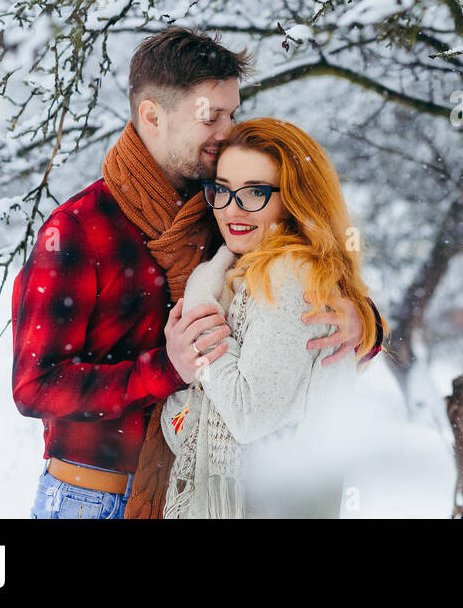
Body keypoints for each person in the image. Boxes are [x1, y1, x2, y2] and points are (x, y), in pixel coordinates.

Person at [12, 28, 384, 519]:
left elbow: (307, 279)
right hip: (97, 498)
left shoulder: (226, 211)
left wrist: (362, 323)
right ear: (152, 116)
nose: (228, 130)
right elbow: (36, 386)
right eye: (212, 116)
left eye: (232, 113)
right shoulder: (79, 230)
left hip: (205, 495)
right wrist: (165, 370)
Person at [160, 118, 377, 518]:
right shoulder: (231, 275)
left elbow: (247, 415)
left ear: (295, 199)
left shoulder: (287, 274)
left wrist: (201, 334)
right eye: (222, 190)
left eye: (255, 192)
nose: (231, 209)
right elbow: (189, 426)